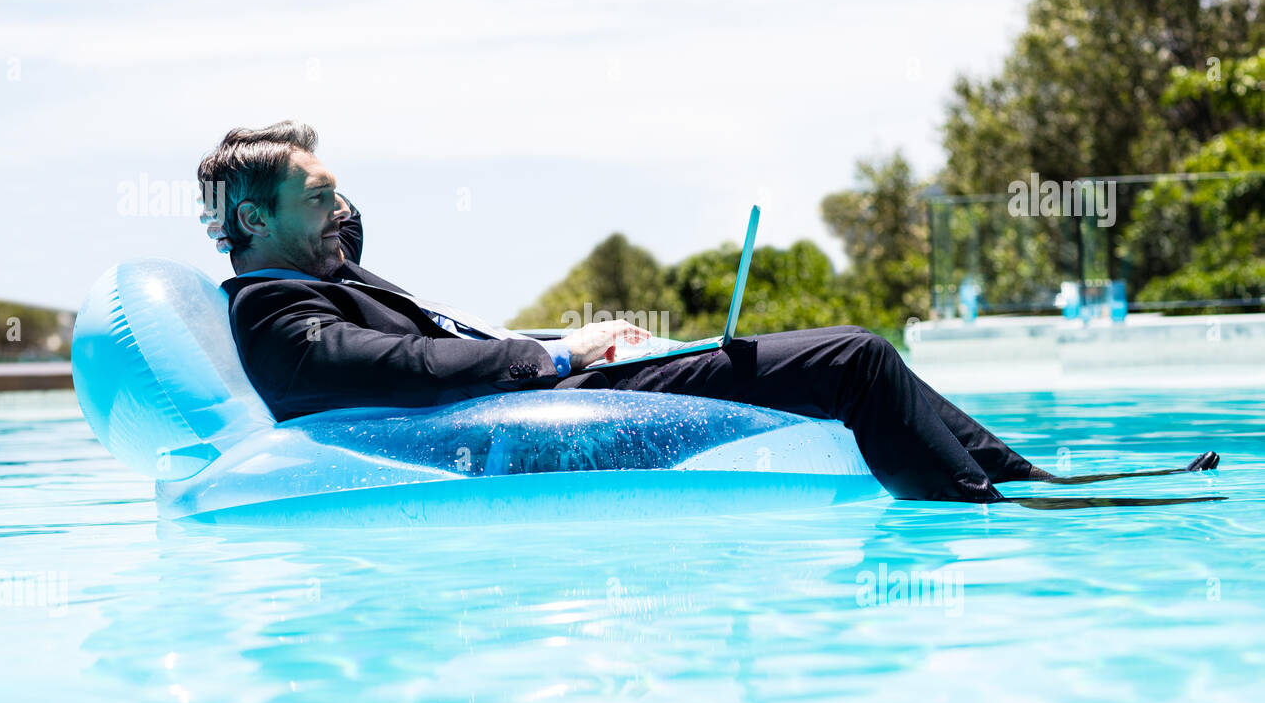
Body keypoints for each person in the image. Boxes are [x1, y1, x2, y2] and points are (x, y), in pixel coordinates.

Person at [199, 121, 1219, 504]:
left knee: (854, 356)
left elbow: (428, 347)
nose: (344, 210)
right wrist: (555, 364)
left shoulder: (316, 284)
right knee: (855, 357)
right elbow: (397, 376)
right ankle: (983, 504)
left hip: (563, 384)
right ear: (255, 218)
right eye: (321, 196)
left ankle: (1015, 470)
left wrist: (569, 341)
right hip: (548, 423)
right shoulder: (276, 311)